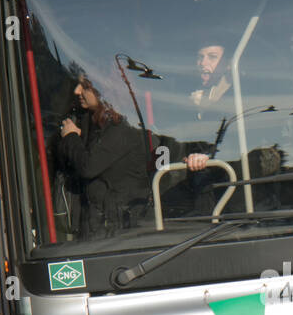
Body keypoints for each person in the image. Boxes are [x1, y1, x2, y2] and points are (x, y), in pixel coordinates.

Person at [59, 75, 209, 236]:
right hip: (106, 220)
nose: (77, 91)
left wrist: (71, 137)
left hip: (122, 225)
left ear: (103, 90)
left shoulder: (121, 126)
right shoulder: (95, 123)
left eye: (85, 86)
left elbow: (88, 166)